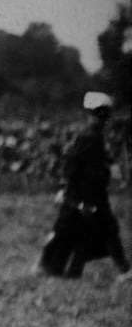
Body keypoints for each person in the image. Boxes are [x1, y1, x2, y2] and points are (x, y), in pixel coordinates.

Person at [38, 91, 131, 281]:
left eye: (105, 115)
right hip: (83, 193)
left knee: (83, 230)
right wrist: (65, 189)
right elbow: (72, 165)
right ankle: (49, 266)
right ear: (93, 115)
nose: (105, 119)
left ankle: (58, 268)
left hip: (88, 192)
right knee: (89, 230)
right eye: (101, 114)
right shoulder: (90, 137)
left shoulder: (93, 136)